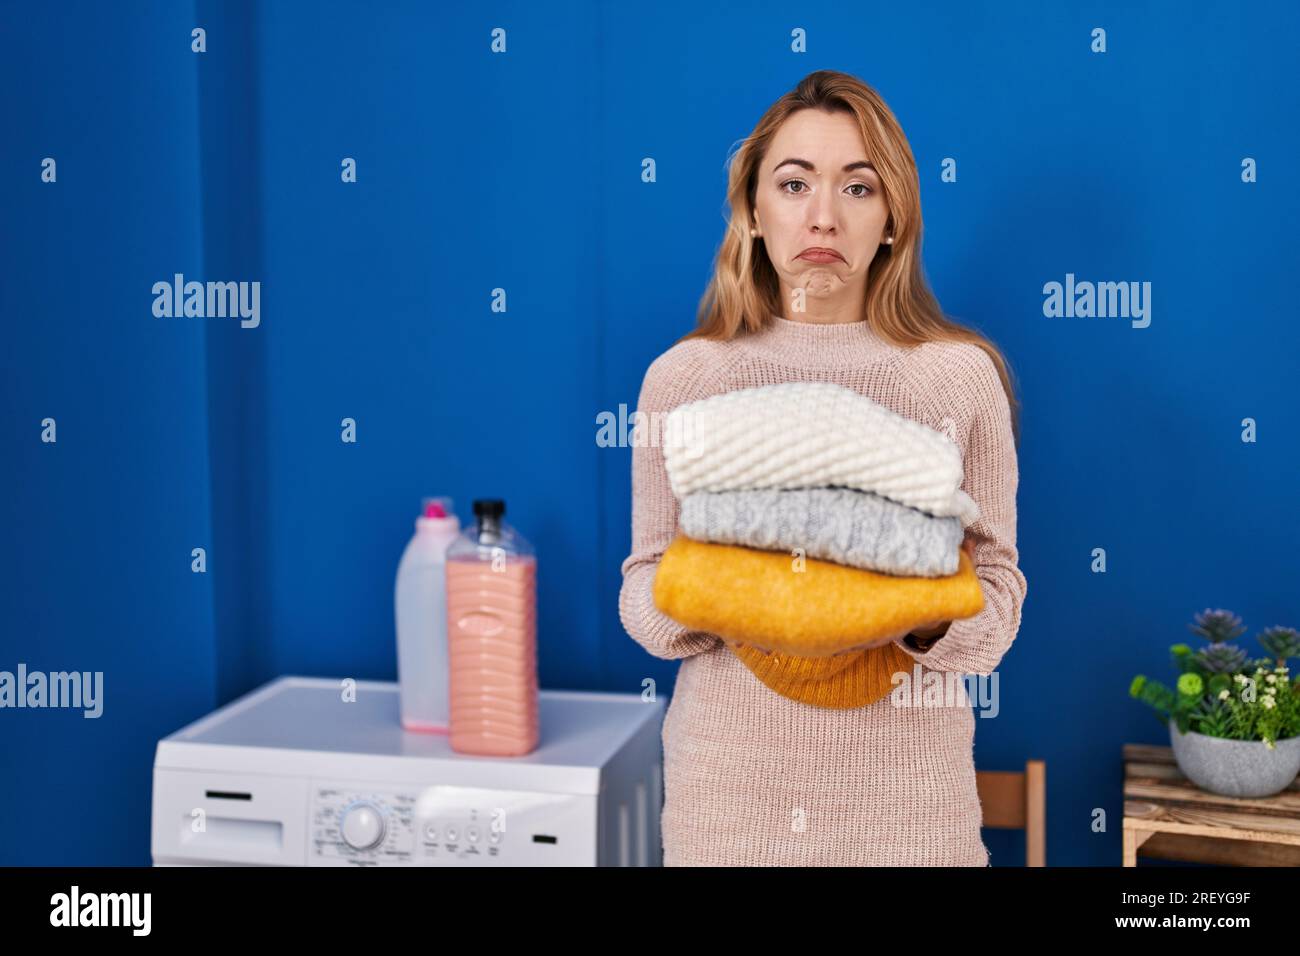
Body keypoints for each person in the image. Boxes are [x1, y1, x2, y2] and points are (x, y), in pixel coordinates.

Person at [618, 69, 1028, 866]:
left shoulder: (956, 378)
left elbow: (1000, 596)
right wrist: (748, 599)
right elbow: (644, 590)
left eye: (858, 186)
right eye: (794, 182)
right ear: (752, 211)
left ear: (891, 220)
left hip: (912, 816)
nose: (823, 215)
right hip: (725, 810)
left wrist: (917, 609)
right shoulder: (687, 381)